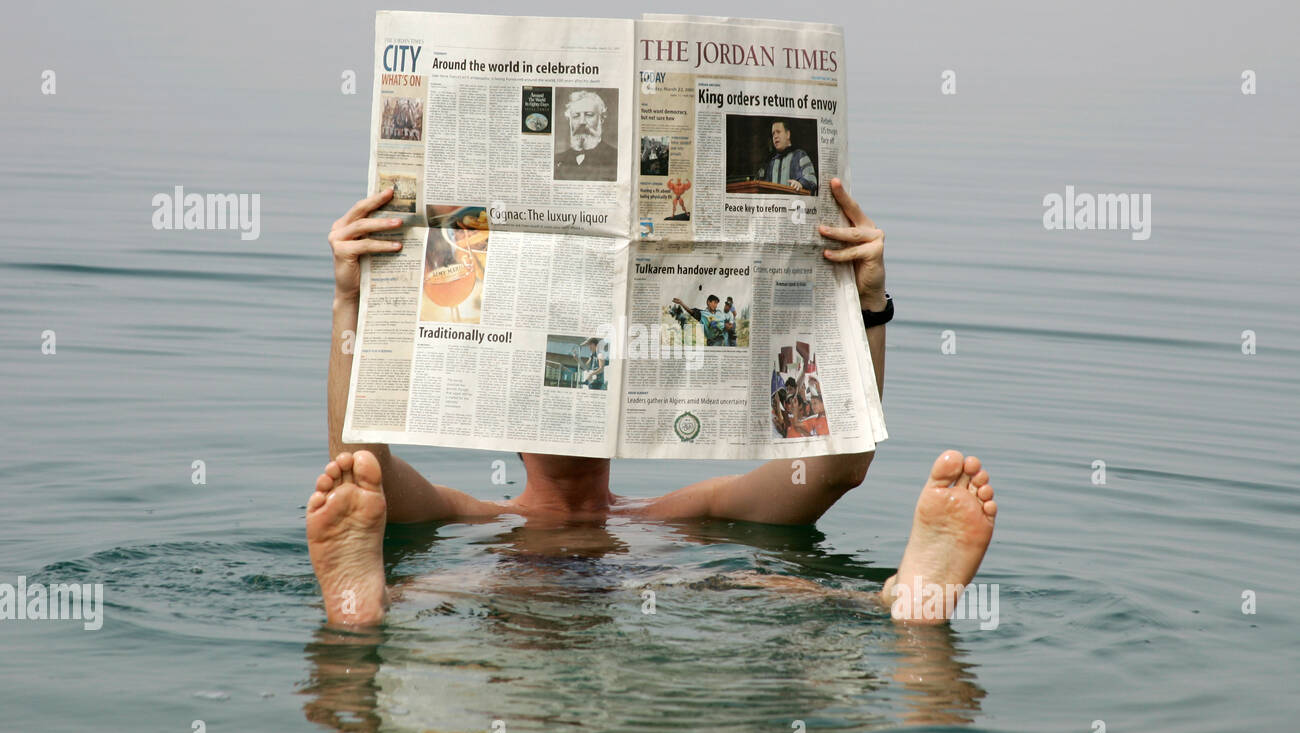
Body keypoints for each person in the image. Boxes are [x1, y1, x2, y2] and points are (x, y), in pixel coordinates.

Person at [314, 178, 996, 627]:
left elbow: (838, 463)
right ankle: (362, 602)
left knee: (767, 590)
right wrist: (350, 297)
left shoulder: (684, 514)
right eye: (559, 374)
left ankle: (904, 603)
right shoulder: (463, 514)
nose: (579, 385)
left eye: (591, 370)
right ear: (506, 412)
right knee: (432, 590)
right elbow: (358, 461)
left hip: (660, 584)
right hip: (505, 594)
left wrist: (869, 302)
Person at [554, 90, 618, 181]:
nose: (582, 122)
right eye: (576, 116)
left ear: (601, 119)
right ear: (569, 121)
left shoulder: (616, 158)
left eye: (589, 115)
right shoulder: (557, 160)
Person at [756, 119, 816, 192]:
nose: (775, 136)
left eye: (778, 132)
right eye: (773, 134)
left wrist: (801, 184)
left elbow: (811, 179)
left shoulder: (800, 155)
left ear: (788, 134)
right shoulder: (771, 163)